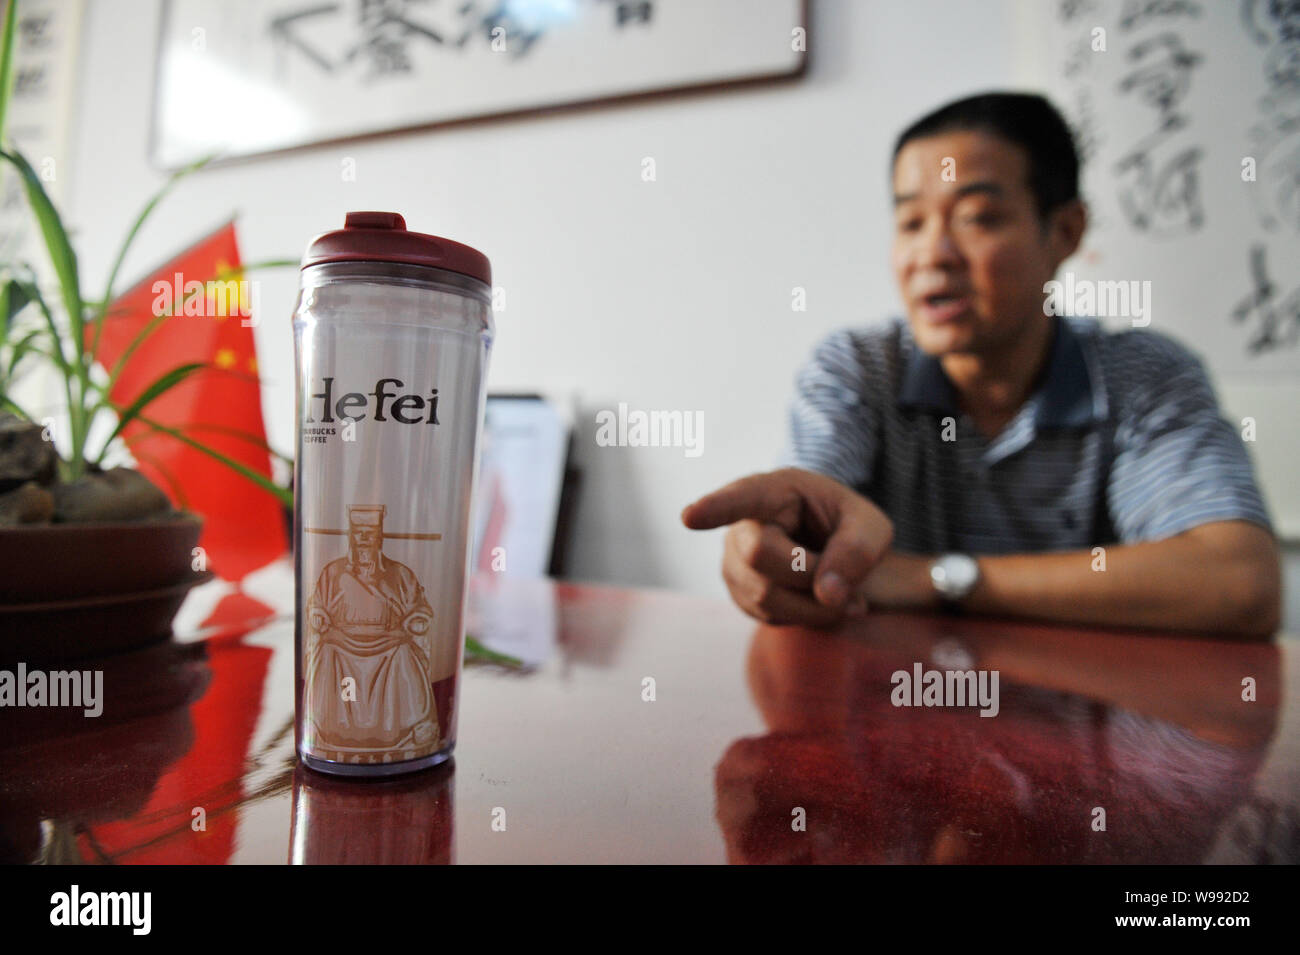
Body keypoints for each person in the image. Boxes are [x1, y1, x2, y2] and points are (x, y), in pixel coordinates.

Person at [682, 92, 1280, 637]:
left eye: (977, 217)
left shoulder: (1143, 378)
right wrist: (783, 548)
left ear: (1066, 231)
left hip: (1091, 732)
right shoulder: (859, 369)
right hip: (896, 720)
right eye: (911, 222)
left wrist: (929, 578)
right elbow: (807, 532)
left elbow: (1239, 582)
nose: (933, 256)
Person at [305, 504, 440, 760]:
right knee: (327, 649)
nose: (364, 539)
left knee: (403, 652)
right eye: (359, 533)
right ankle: (326, 725)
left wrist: (416, 619)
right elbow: (317, 606)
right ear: (350, 536)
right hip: (341, 641)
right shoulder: (332, 572)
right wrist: (319, 617)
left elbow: (420, 610)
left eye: (370, 532)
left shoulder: (400, 574)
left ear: (380, 536)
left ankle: (412, 725)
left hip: (389, 642)